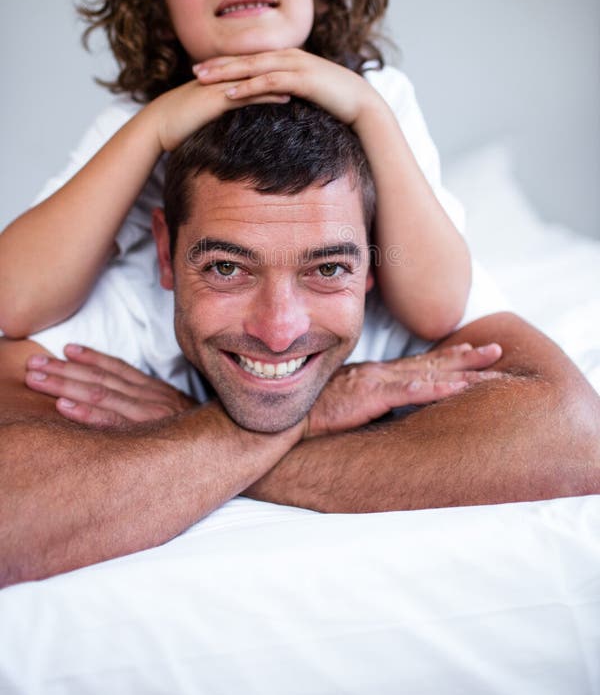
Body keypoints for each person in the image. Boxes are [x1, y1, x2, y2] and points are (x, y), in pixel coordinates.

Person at [1, 102, 599, 587]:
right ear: (165, 253)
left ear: (372, 259)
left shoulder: (418, 304)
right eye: (228, 269)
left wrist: (198, 430)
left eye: (328, 268)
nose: (279, 329)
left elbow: (578, 436)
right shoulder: (105, 317)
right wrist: (291, 421)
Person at [0, 0, 471, 352]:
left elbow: (437, 306)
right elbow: (15, 298)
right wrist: (153, 129)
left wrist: (368, 113)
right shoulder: (137, 123)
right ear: (156, 2)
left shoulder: (378, 96)